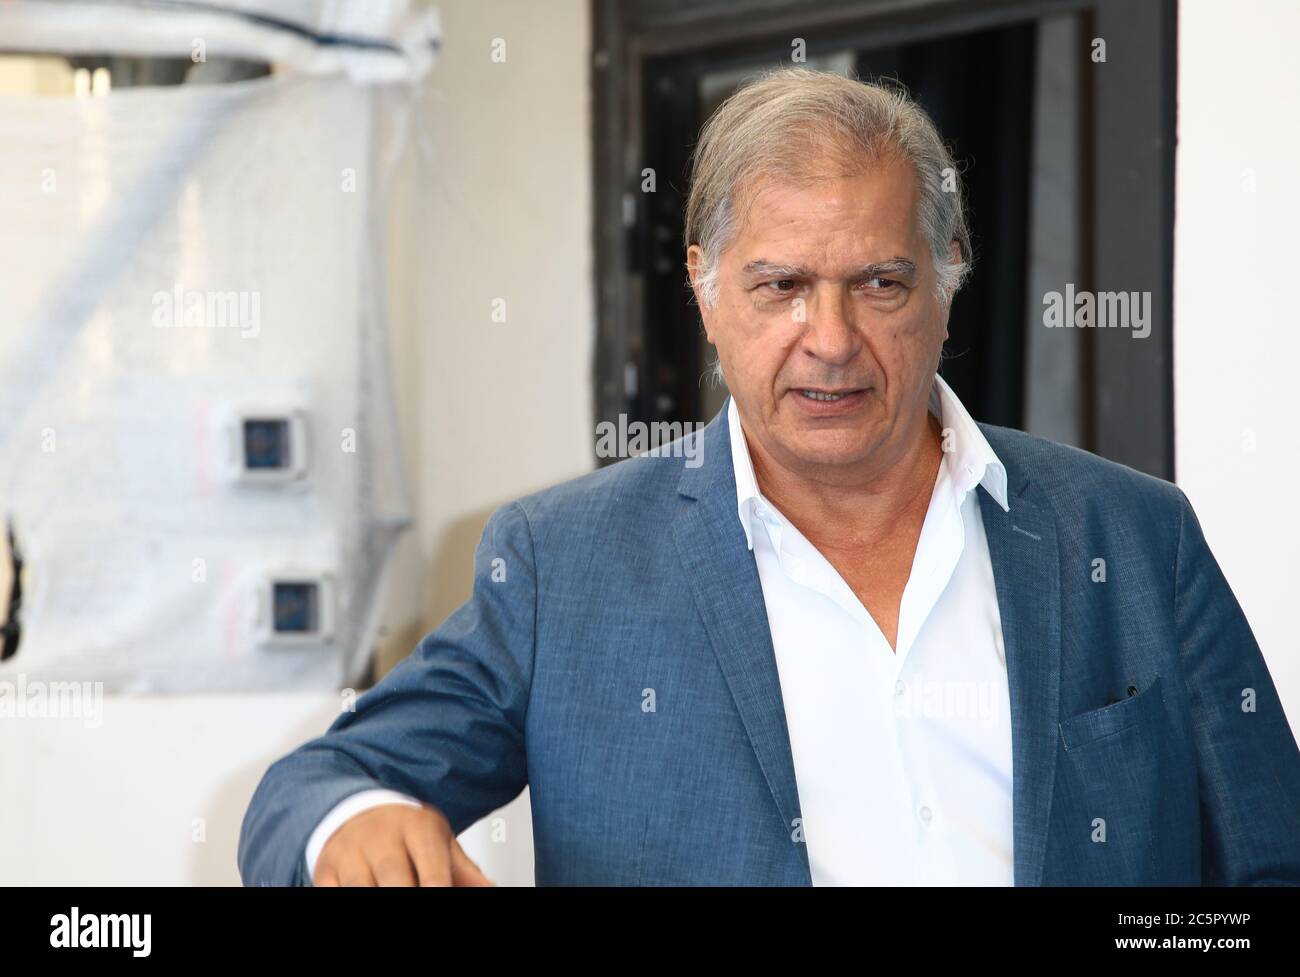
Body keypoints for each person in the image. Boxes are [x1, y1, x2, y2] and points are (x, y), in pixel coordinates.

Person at [239, 67, 1300, 886]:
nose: (828, 338)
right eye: (780, 284)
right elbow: (308, 790)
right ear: (704, 289)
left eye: (878, 282)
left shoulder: (1133, 535)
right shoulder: (565, 565)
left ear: (948, 279)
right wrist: (357, 820)